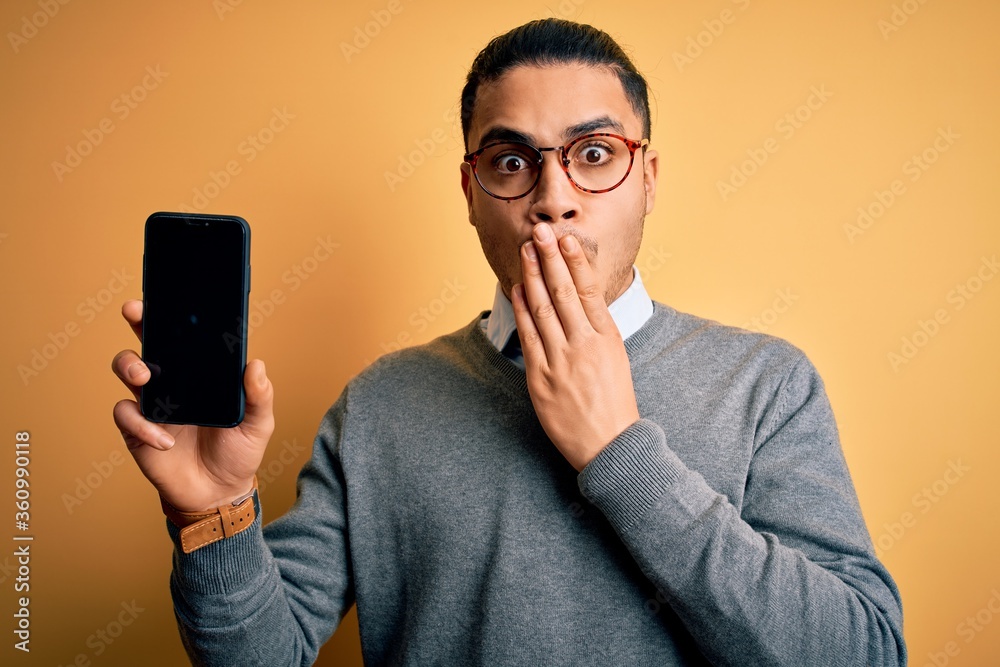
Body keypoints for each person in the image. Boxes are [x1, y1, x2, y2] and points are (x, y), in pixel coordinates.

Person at [111, 19, 906, 666]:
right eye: (512, 160)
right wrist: (213, 513)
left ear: (649, 178)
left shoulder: (766, 385)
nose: (552, 199)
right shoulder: (380, 405)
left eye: (595, 155)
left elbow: (865, 651)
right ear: (470, 191)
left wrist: (620, 451)